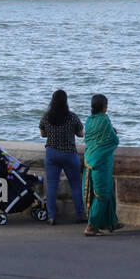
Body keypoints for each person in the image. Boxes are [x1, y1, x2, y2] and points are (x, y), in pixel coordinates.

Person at [39, 89, 84, 225]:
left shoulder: (46, 117)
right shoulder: (72, 117)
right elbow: (81, 134)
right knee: (76, 186)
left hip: (52, 154)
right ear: (66, 102)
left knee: (52, 186)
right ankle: (80, 215)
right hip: (69, 154)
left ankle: (51, 216)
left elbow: (42, 134)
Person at [82, 93, 123, 236]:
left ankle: (111, 222)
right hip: (101, 164)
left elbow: (91, 138)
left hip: (90, 159)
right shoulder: (105, 120)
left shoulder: (89, 120)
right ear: (104, 107)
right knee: (102, 194)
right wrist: (115, 134)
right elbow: (112, 140)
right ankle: (91, 227)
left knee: (108, 192)